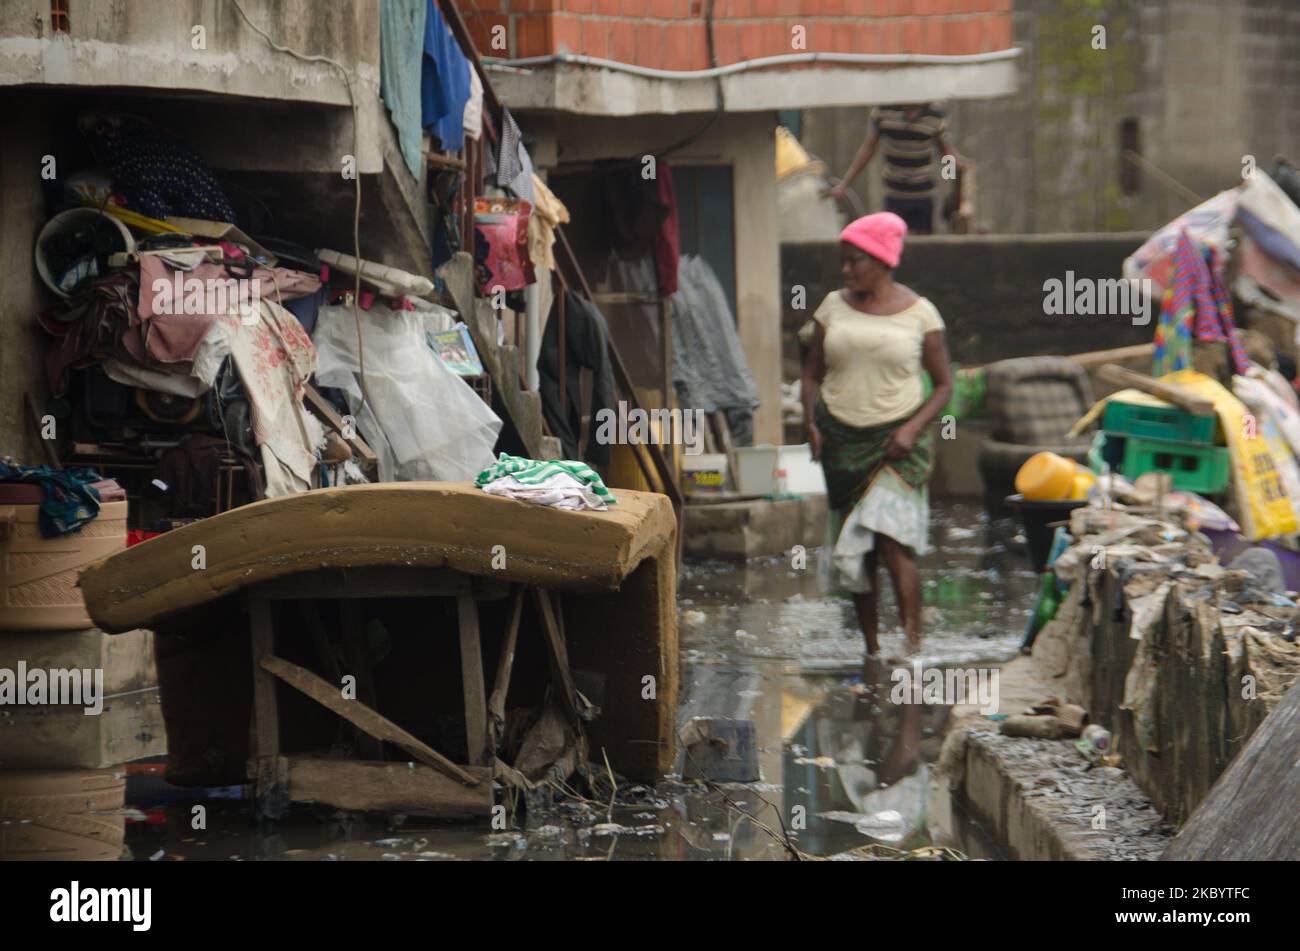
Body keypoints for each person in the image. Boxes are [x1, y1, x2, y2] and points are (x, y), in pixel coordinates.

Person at [801, 212, 952, 662]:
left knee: (890, 542)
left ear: (884, 261)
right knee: (858, 548)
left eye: (856, 261)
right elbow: (810, 375)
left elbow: (945, 384)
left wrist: (911, 428)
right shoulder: (832, 307)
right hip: (840, 440)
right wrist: (809, 422)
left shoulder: (921, 314)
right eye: (843, 262)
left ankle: (911, 644)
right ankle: (871, 647)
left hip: (897, 442)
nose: (846, 270)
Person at [823, 102, 969, 235]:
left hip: (922, 194)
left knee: (923, 247)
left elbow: (946, 153)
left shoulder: (935, 117)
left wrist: (953, 185)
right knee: (892, 241)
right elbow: (869, 148)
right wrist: (844, 185)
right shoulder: (885, 112)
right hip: (894, 194)